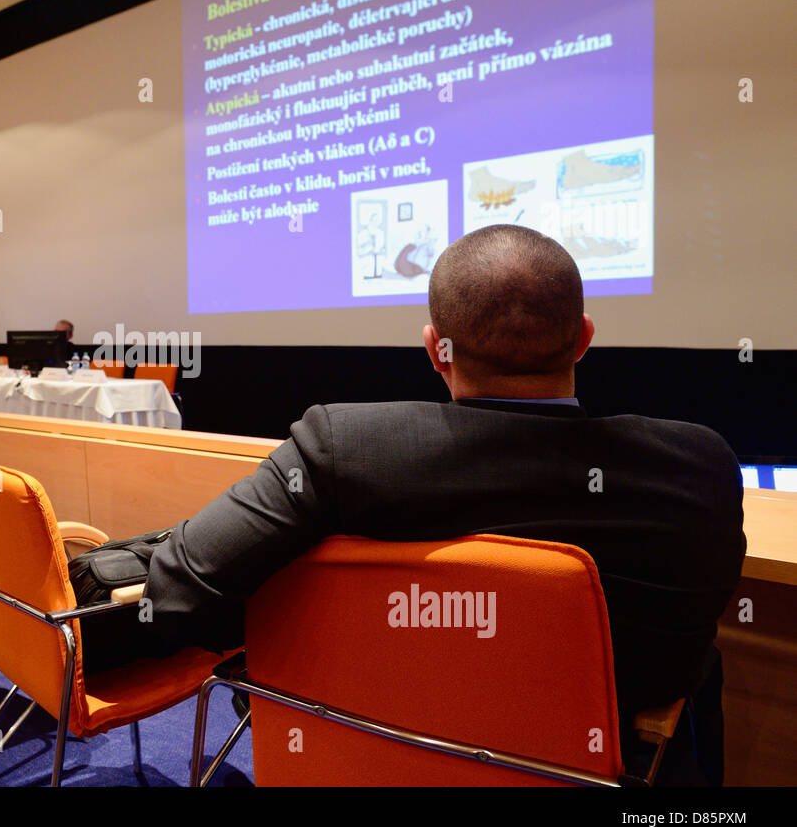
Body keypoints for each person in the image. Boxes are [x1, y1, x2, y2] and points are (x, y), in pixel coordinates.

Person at [129, 225, 744, 784]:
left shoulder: (343, 452)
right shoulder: (701, 467)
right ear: (584, 339)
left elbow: (184, 589)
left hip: (361, 751)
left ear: (434, 349)